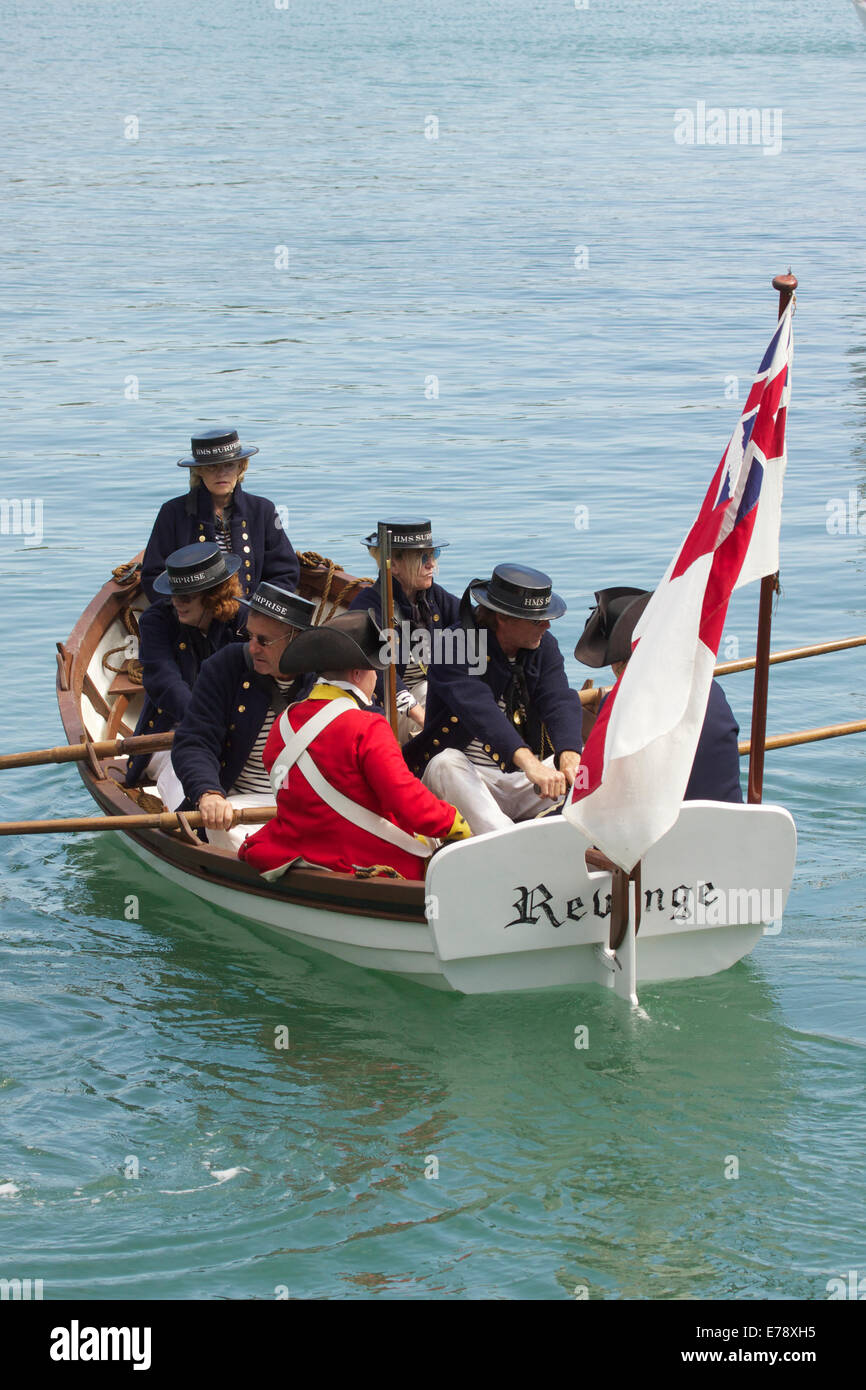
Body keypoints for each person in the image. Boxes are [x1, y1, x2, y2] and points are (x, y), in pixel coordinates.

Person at [238, 611, 471, 880]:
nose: (377, 679)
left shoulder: (283, 724)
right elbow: (409, 804)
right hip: (365, 863)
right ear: (358, 673)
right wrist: (457, 822)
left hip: (295, 854)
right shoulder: (368, 726)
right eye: (375, 671)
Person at [405, 564, 584, 835]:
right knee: (445, 763)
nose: (547, 626)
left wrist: (570, 756)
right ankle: (509, 846)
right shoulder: (453, 645)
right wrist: (531, 764)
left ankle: (579, 838)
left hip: (525, 781)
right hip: (471, 781)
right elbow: (480, 711)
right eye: (537, 620)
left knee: (594, 759)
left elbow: (558, 699)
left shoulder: (544, 645)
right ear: (504, 618)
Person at [170, 582, 317, 848]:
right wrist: (209, 794)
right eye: (249, 636)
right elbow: (195, 741)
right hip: (240, 805)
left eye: (264, 641)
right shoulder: (225, 666)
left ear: (298, 641)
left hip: (310, 805)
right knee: (223, 833)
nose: (252, 648)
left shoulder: (327, 673)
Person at [575, 586, 743, 803]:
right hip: (730, 825)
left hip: (666, 832)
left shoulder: (618, 703)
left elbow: (591, 790)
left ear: (615, 661)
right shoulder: (711, 688)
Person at [126, 543, 244, 804]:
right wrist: (204, 723)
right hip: (172, 732)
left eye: (187, 596)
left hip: (237, 730)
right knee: (185, 783)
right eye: (174, 595)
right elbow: (163, 680)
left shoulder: (243, 619)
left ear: (214, 594)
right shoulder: (156, 621)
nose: (177, 603)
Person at [141, 428, 300, 603]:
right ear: (199, 470)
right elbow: (153, 577)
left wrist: (256, 611)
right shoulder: (172, 513)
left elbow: (285, 572)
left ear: (241, 466)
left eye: (229, 465)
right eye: (212, 467)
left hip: (252, 618)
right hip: (192, 621)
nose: (221, 473)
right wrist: (188, 611)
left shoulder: (264, 510)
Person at [349, 519, 461, 741]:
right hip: (387, 709)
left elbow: (472, 626)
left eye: (434, 554)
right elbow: (381, 674)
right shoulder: (368, 606)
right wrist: (423, 717)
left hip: (430, 699)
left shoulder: (434, 597)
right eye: (422, 558)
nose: (431, 565)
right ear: (394, 565)